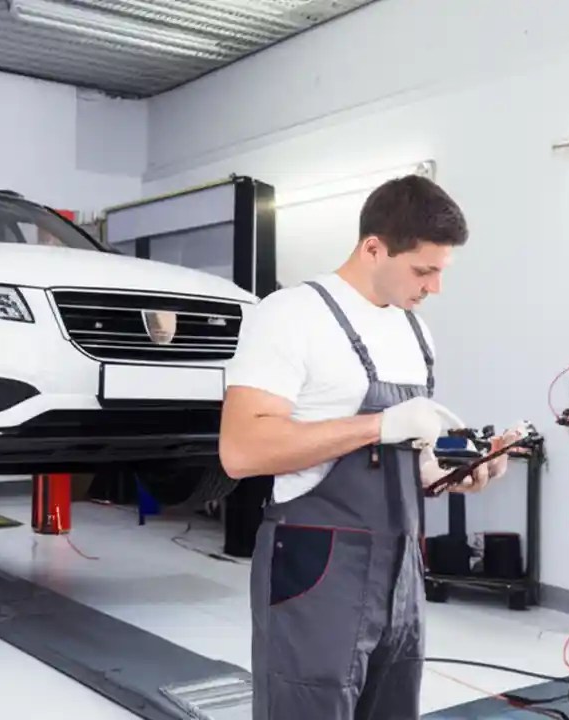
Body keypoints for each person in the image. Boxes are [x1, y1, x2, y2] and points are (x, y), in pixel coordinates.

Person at [219, 175, 518, 719]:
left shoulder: (416, 332)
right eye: (423, 270)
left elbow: (406, 459)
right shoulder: (291, 315)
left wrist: (454, 471)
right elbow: (241, 450)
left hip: (402, 566)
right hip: (316, 565)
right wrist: (377, 426)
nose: (434, 288)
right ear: (373, 248)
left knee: (393, 706)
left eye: (441, 272)